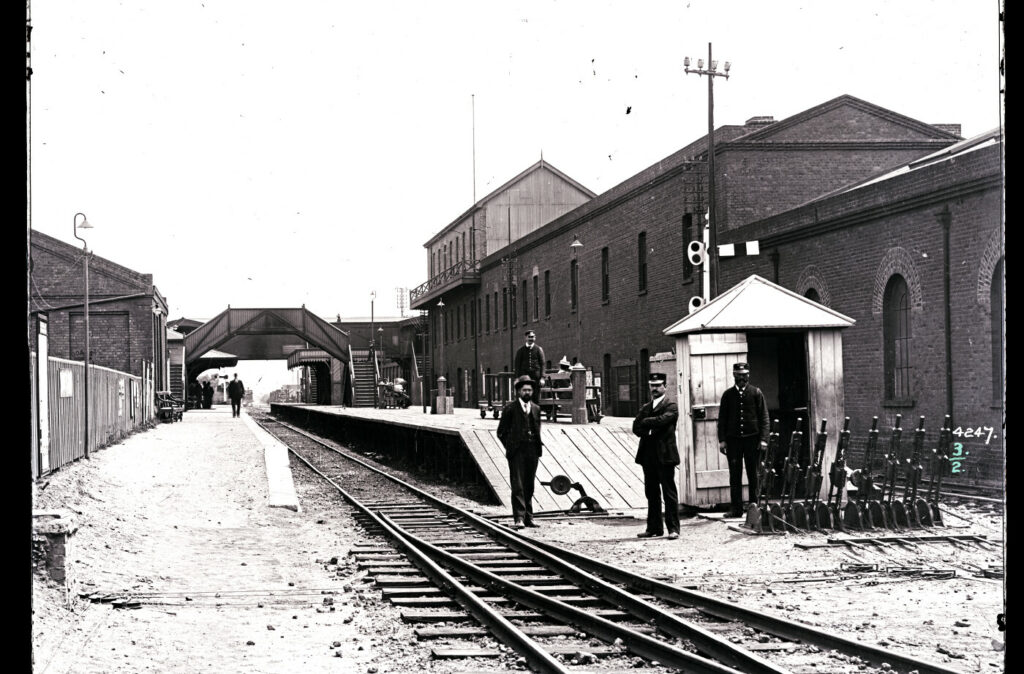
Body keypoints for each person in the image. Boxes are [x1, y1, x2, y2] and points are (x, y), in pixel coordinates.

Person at [717, 362, 771, 518]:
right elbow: (722, 419)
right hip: (733, 442)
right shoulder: (727, 395)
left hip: (752, 441)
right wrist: (722, 440)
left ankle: (754, 508)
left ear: (749, 375)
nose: (742, 378)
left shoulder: (756, 393)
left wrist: (763, 439)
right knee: (735, 475)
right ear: (734, 375)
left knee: (753, 475)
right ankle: (736, 509)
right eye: (739, 375)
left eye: (745, 375)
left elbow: (764, 417)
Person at [632, 373, 681, 539]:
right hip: (648, 456)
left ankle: (673, 529)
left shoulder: (671, 406)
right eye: (652, 385)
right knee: (651, 493)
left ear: (665, 387)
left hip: (665, 456)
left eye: (658, 385)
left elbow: (663, 421)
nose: (654, 388)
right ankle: (654, 528)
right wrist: (650, 428)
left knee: (669, 493)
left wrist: (646, 422)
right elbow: (636, 427)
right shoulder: (646, 407)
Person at [496, 375, 544, 529]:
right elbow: (501, 432)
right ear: (518, 391)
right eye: (524, 390)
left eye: (529, 390)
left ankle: (529, 517)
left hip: (532, 451)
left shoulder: (536, 409)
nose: (527, 392)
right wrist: (511, 446)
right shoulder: (510, 409)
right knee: (518, 485)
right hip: (517, 452)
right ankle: (519, 518)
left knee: (529, 484)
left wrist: (536, 445)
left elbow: (537, 429)